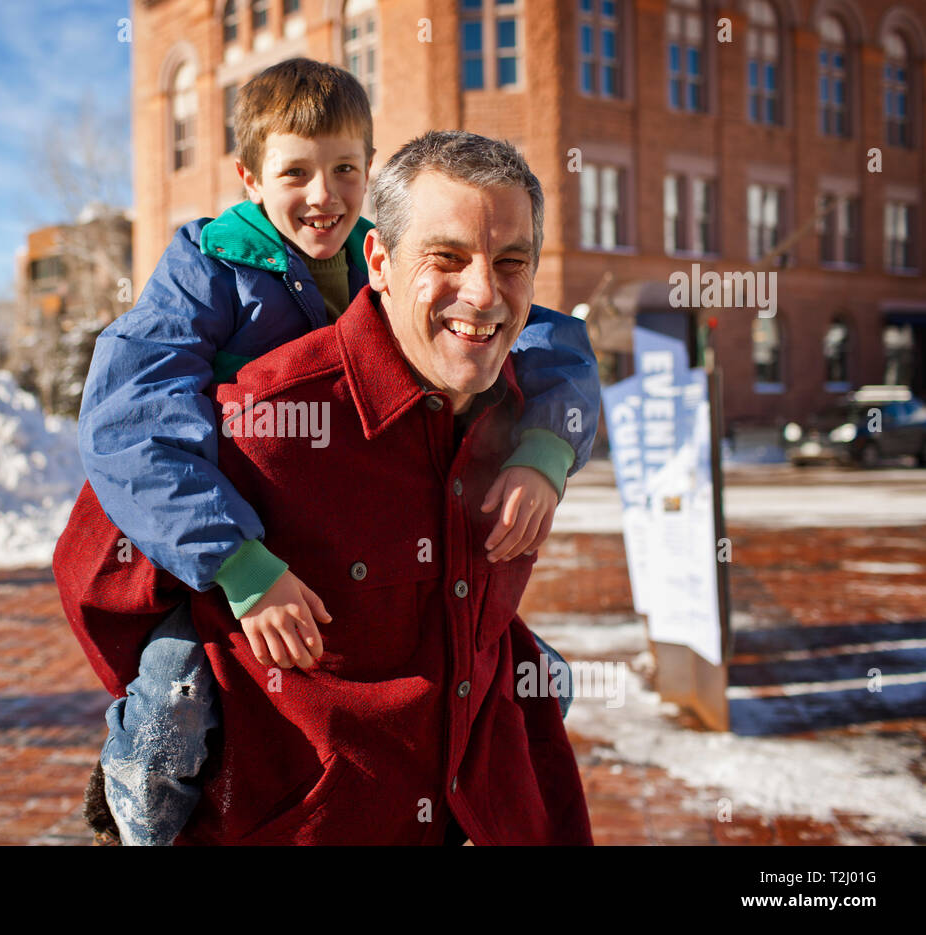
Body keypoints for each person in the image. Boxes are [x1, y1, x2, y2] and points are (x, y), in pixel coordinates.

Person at [63, 59, 598, 845]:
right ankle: (139, 803)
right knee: (179, 683)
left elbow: (553, 340)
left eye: (346, 168)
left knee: (532, 674)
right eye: (295, 172)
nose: (323, 194)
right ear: (249, 178)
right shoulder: (208, 266)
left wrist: (548, 445)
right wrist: (238, 563)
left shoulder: (366, 260)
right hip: (210, 519)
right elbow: (128, 420)